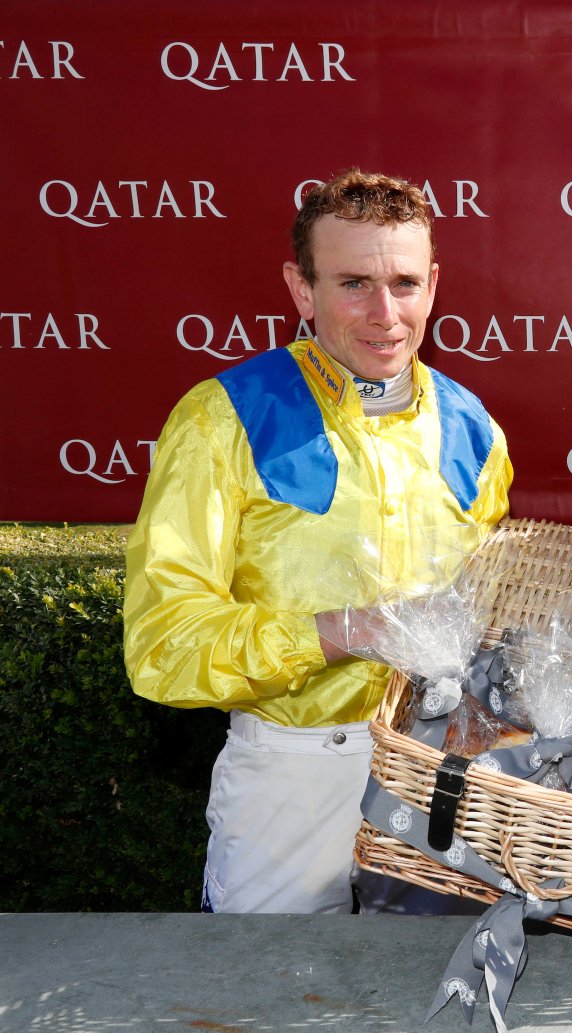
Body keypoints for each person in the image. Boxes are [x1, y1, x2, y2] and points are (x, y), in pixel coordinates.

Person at [124, 169, 513, 914]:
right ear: (301, 289)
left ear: (434, 284)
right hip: (293, 776)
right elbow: (161, 646)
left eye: (404, 282)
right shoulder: (225, 417)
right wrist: (345, 630)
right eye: (353, 283)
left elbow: (490, 621)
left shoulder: (473, 426)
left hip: (442, 771)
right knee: (262, 1011)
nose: (385, 313)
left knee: (427, 1010)